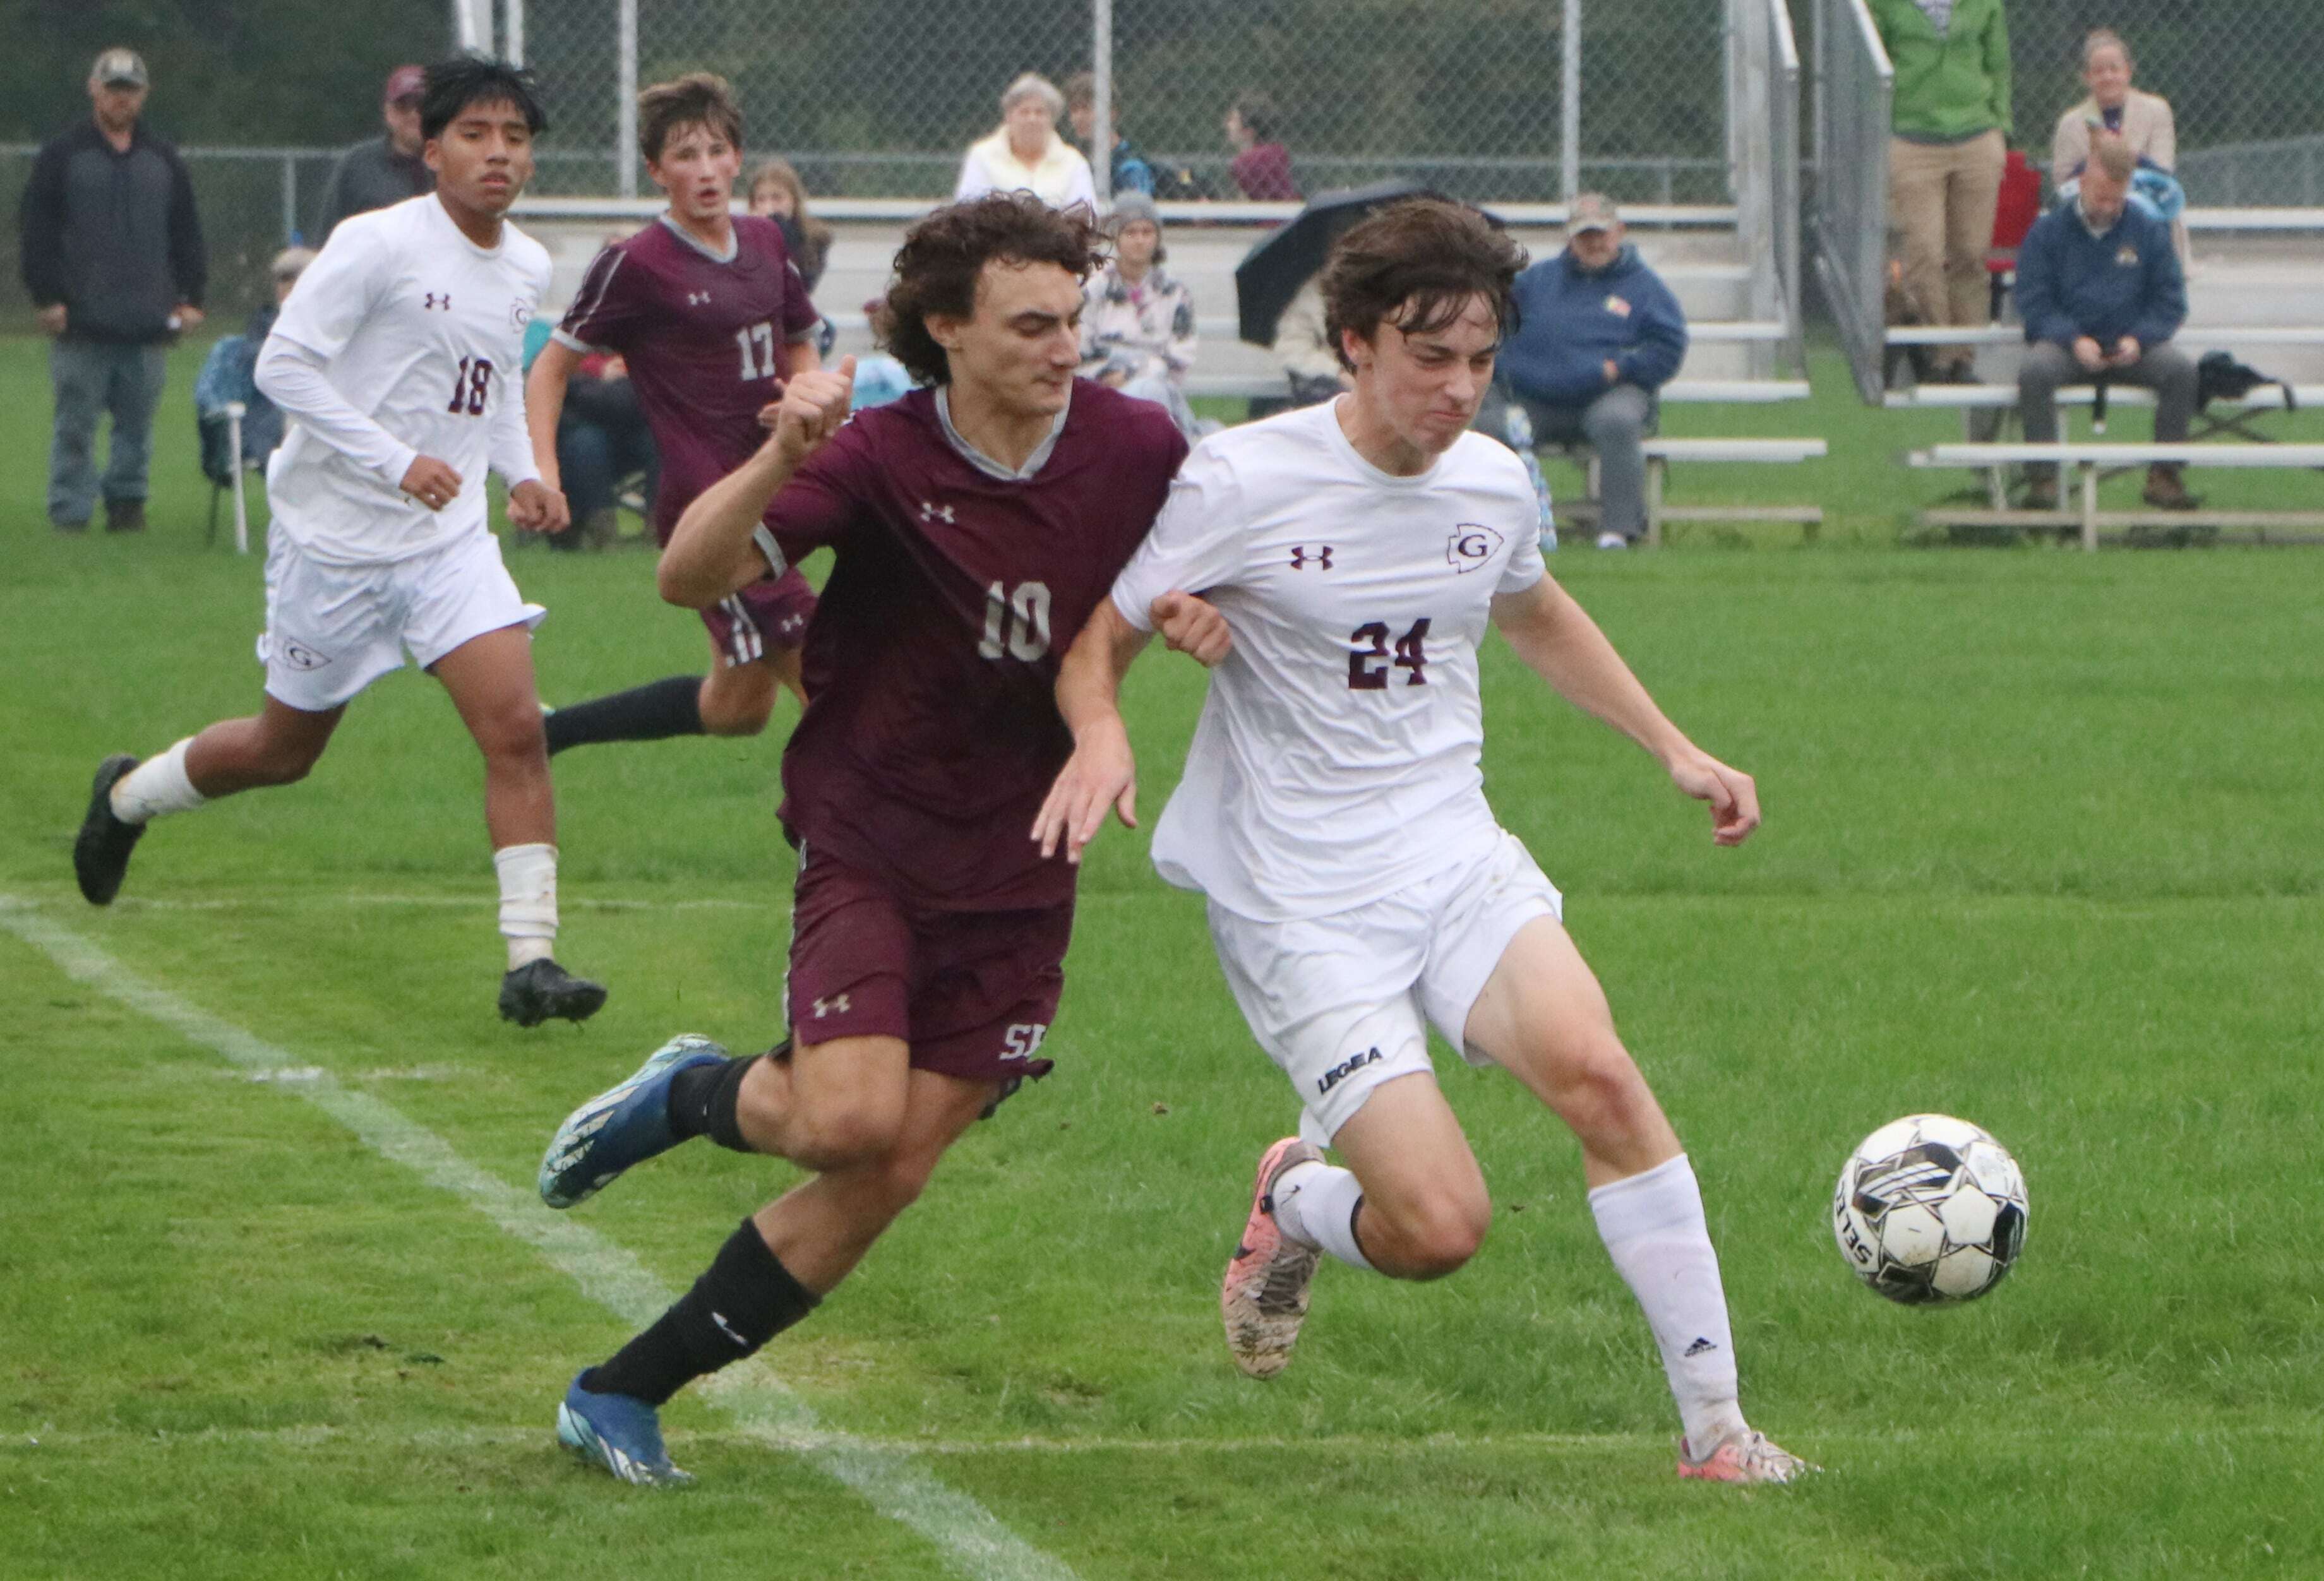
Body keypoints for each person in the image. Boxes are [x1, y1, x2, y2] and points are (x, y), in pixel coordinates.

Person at [1033, 197, 1809, 1486]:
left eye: (1480, 359)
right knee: (1443, 1227)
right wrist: (1111, 718)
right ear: (1352, 343)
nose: (1458, 389)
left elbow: (1534, 610)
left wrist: (1674, 747)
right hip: (1299, 902)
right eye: (1427, 356)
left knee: (1603, 1078)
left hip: (1452, 852)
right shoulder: (1242, 477)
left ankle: (1717, 1431)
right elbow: (1100, 638)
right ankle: (1294, 1198)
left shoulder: (1495, 479)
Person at [534, 193, 1189, 1487]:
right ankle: (685, 1093)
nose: (1064, 348)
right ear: (944, 329)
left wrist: (1202, 614)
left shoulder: (1138, 446)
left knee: (890, 1169)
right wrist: (780, 456)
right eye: (1030, 324)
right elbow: (689, 574)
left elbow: (1217, 563)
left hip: (1025, 858)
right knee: (842, 1119)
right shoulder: (883, 454)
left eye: (1075, 318)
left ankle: (621, 1391)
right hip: (874, 828)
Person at [69, 57, 607, 1031]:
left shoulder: (526, 264)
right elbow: (283, 366)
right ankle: (127, 800)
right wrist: (396, 460)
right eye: (477, 136)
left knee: (517, 727)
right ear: (431, 148)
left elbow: (482, 396)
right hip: (332, 546)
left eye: (516, 138)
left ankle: (533, 958)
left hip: (447, 547)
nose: (498, 155)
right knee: (282, 752)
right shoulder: (375, 244)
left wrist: (524, 474)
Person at [526, 73, 823, 755]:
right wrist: (543, 469)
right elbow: (549, 367)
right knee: (830, 684)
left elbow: (800, 339)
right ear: (657, 171)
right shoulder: (635, 263)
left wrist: (803, 397)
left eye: (716, 150)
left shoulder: (765, 242)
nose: (705, 169)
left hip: (775, 493)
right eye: (684, 156)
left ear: (737, 158)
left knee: (737, 706)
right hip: (708, 513)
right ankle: (855, 852)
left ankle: (546, 733)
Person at [19, 47, 206, 535]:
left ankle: (127, 506)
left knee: (137, 429)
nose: (121, 99)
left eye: (131, 90)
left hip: (147, 320)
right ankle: (70, 512)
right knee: (75, 426)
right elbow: (36, 231)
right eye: (113, 88)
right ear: (94, 89)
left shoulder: (162, 159)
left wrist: (192, 296)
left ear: (143, 95)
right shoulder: (63, 156)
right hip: (81, 320)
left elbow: (186, 231)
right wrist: (47, 297)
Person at [1485, 193, 1687, 549]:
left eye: (1601, 233)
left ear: (1619, 232)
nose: (1594, 242)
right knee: (1491, 427)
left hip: (1608, 395)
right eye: (1584, 235)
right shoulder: (1536, 282)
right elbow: (1494, 331)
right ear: (1569, 237)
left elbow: (1668, 347)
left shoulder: (1645, 288)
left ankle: (1618, 531)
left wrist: (1621, 368)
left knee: (1618, 421)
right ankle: (1503, 530)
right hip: (1537, 400)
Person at [2013, 135, 2196, 511]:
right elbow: (2034, 302)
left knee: (2180, 371)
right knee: (2034, 371)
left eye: (2117, 199)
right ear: (2082, 184)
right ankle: (2043, 481)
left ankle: (2165, 476)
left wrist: (2139, 339)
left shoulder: (2148, 230)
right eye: (2101, 197)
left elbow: (2170, 300)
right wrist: (2072, 338)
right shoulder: (2047, 233)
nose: (2109, 207)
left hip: (2131, 348)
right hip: (2069, 349)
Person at [1869, 0, 2011, 383]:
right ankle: (1940, 352)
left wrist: (1998, 121)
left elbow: (1998, 63)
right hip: (1912, 138)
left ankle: (1965, 356)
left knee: (1970, 252)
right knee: (1925, 253)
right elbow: (1870, 62)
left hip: (1977, 135)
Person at [1078, 191, 1201, 438]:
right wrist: (1108, 377)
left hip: (1158, 388)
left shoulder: (1175, 292)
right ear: (1116, 237)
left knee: (1149, 392)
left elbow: (1180, 355)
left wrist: (1133, 373)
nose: (1140, 241)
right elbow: (1079, 348)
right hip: (1102, 388)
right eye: (1131, 232)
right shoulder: (1094, 289)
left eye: (1147, 232)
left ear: (1157, 238)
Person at [194, 246, 315, 486]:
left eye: (296, 278)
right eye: (282, 279)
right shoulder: (260, 331)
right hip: (268, 417)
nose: (287, 286)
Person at [318, 65, 436, 239]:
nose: (414, 115)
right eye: (403, 106)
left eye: (422, 105)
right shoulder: (357, 165)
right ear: (388, 112)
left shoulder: (456, 162)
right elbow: (329, 238)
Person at [954, 73, 1096, 213]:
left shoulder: (1074, 162)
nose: (1032, 119)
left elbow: (1084, 218)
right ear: (1009, 117)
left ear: (1052, 120)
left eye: (1040, 112)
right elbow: (968, 213)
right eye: (1024, 112)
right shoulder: (982, 157)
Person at [2051, 29, 2174, 187]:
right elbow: (2064, 184)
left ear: (2128, 72)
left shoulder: (2156, 110)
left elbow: (2163, 174)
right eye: (2099, 71)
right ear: (2087, 77)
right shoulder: (2070, 123)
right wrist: (2099, 159)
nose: (2108, 77)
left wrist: (2124, 156)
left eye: (2115, 69)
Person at [1062, 71, 1155, 197]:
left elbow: (1138, 214)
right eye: (1074, 110)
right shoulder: (1076, 160)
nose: (1078, 117)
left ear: (1112, 113)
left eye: (1086, 109)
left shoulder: (1131, 167)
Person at [746, 157, 832, 292]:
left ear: (794, 200)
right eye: (761, 200)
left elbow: (804, 285)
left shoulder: (815, 239)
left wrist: (779, 227)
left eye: (777, 198)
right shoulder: (742, 238)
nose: (769, 207)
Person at [1225, 92, 1299, 201]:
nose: (1228, 125)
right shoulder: (1276, 152)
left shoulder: (1247, 162)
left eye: (1234, 120)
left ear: (1249, 131)